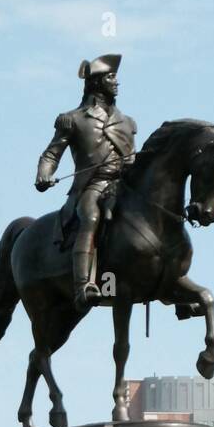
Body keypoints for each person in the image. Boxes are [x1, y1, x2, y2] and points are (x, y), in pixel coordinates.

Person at [35, 53, 137, 313]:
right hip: (93, 186)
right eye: (111, 77)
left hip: (124, 186)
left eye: (116, 77)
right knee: (91, 217)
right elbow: (51, 154)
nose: (117, 82)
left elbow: (133, 157)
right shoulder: (74, 119)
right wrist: (44, 174)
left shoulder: (126, 122)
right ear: (97, 83)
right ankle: (84, 285)